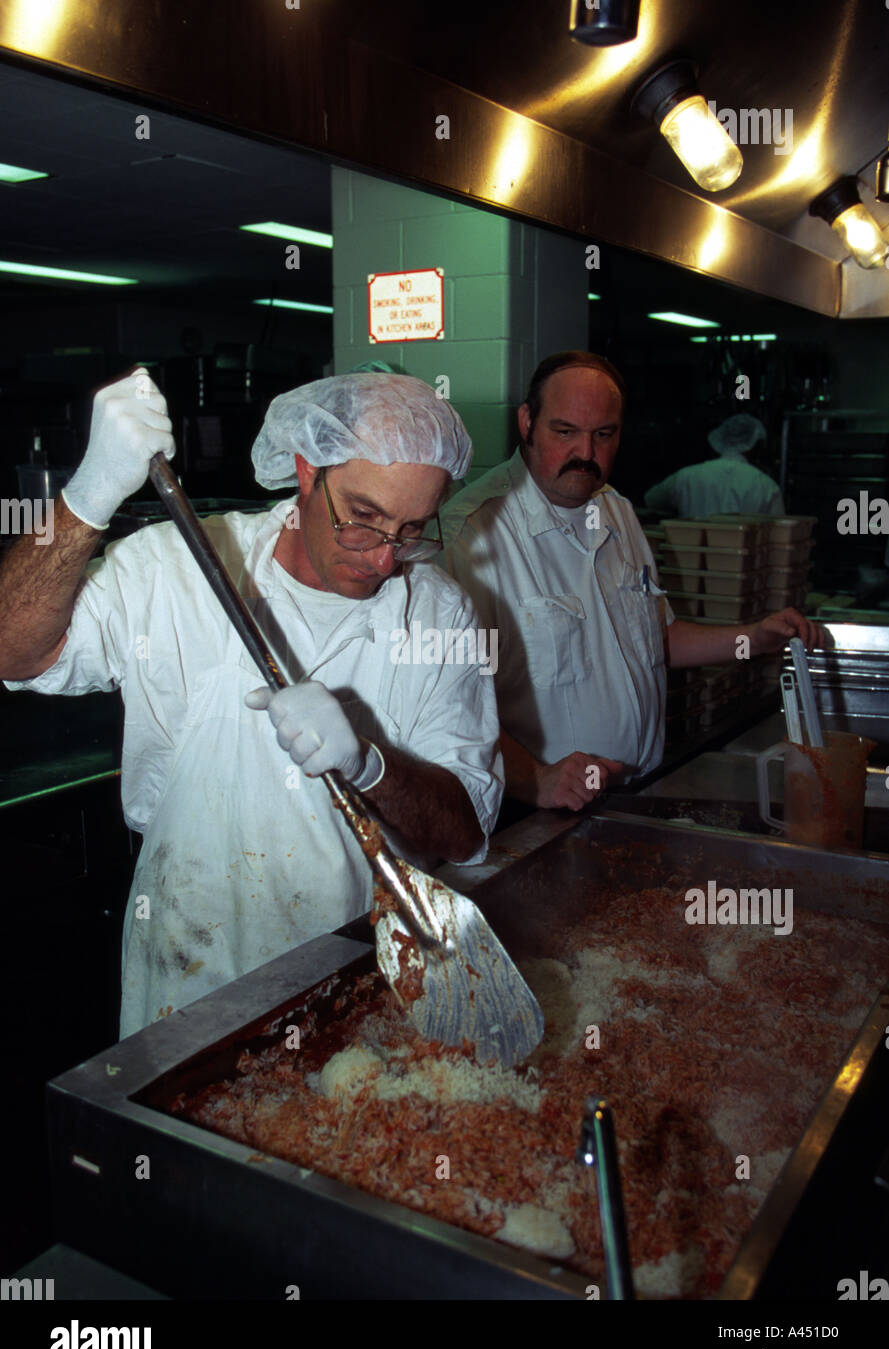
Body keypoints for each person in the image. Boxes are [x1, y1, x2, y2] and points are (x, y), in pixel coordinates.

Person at [0, 369, 502, 1037]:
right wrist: (88, 497)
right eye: (363, 518)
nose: (384, 561)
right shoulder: (172, 570)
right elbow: (14, 651)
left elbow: (465, 833)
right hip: (188, 975)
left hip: (363, 987)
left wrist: (372, 765)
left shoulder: (438, 614)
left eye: (410, 531)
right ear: (306, 470)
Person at [440, 352, 822, 813]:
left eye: (603, 435)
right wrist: (534, 778)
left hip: (635, 793)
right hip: (539, 811)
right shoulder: (472, 537)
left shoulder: (616, 511)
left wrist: (753, 638)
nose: (585, 453)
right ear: (526, 422)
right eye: (565, 432)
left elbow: (654, 638)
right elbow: (449, 700)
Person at [643, 414, 784, 517]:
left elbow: (651, 500)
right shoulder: (765, 486)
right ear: (756, 445)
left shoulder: (687, 476)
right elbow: (780, 533)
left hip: (689, 556)